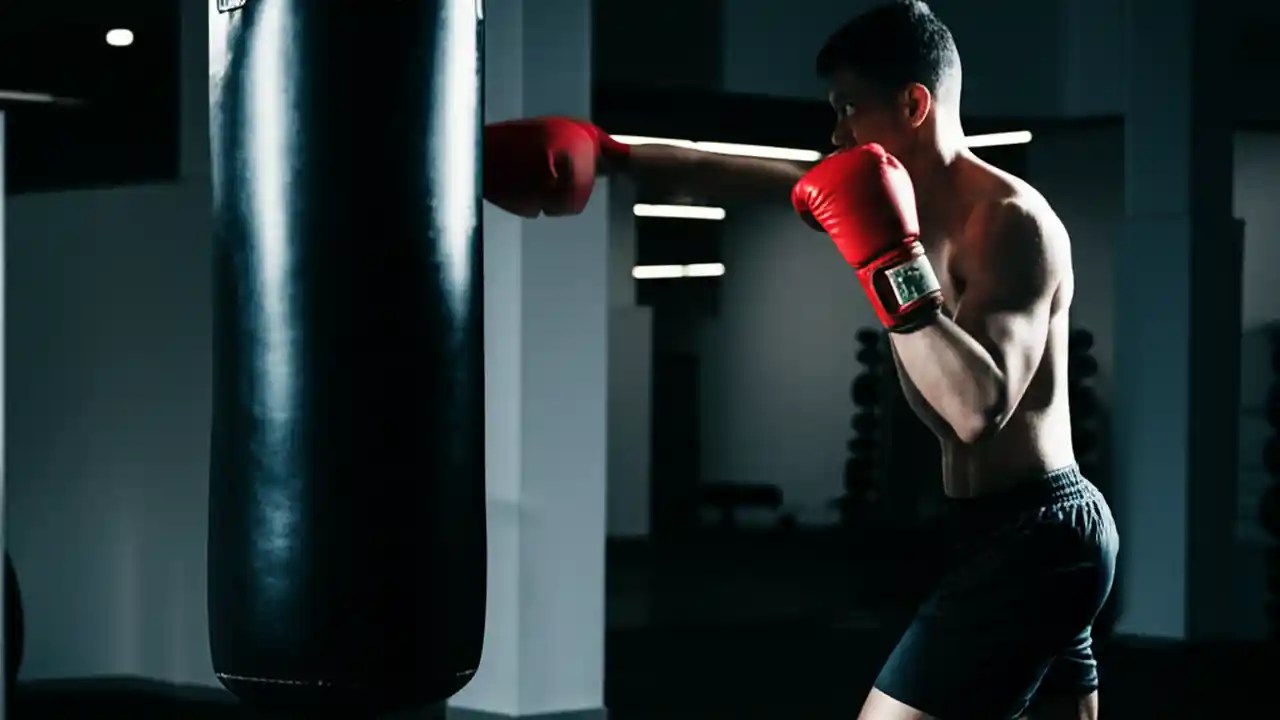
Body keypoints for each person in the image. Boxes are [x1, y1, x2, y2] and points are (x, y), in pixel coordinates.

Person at [483, 2, 1119, 718]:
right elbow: (721, 171)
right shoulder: (887, 198)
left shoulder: (1008, 222)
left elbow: (977, 410)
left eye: (849, 110)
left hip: (1035, 534)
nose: (837, 134)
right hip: (1003, 530)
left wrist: (890, 265)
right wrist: (610, 157)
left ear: (914, 105)